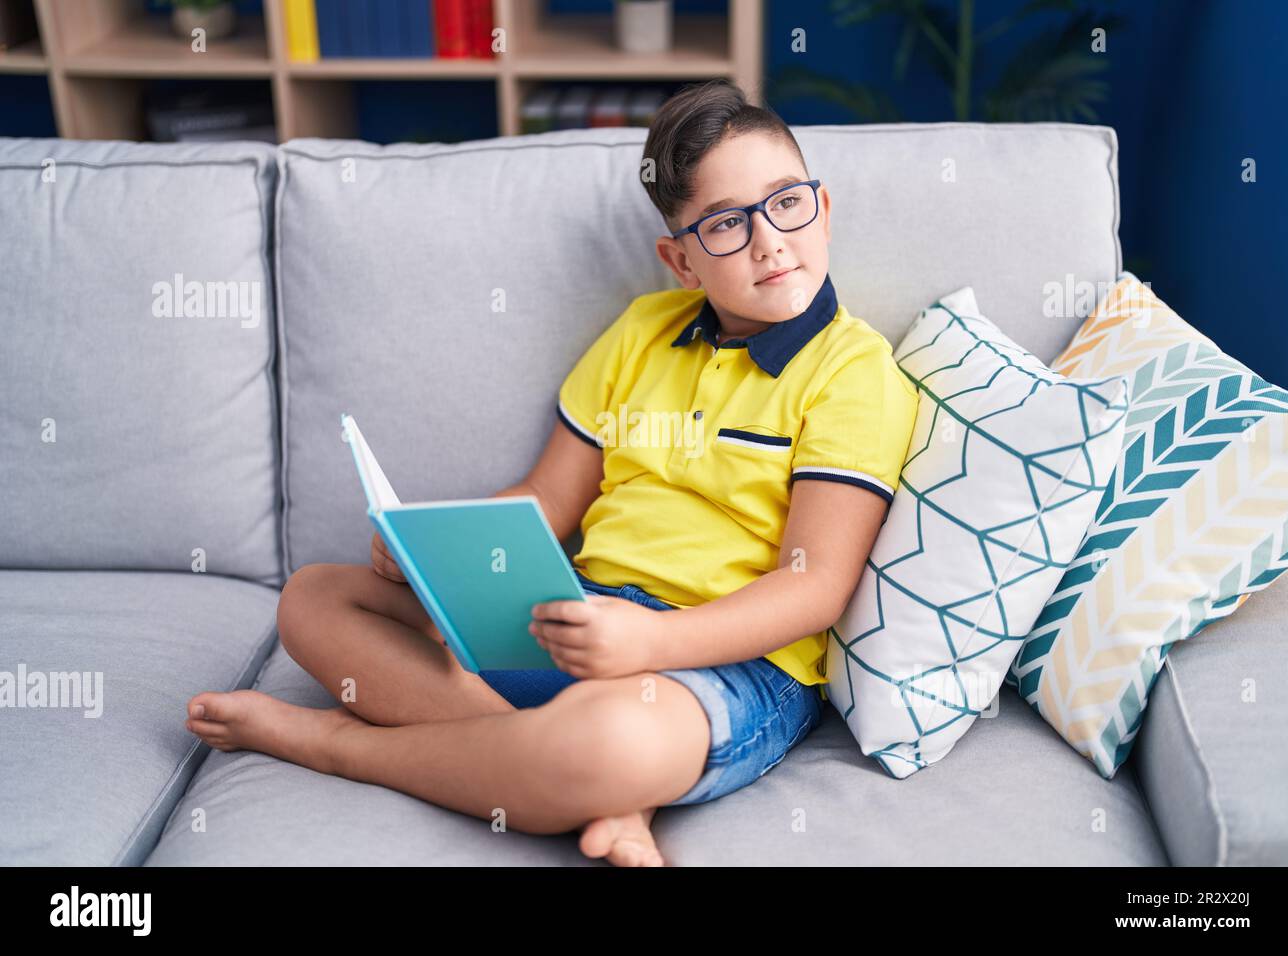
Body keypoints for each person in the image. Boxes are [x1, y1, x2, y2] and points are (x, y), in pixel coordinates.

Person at [184, 77, 919, 867]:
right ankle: (568, 780)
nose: (770, 241)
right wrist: (439, 551)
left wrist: (650, 644)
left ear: (824, 208)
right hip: (581, 620)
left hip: (727, 669)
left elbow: (814, 587)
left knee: (607, 740)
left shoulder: (855, 373)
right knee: (314, 599)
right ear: (682, 261)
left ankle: (339, 746)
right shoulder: (643, 333)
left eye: (787, 204)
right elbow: (542, 503)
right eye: (727, 226)